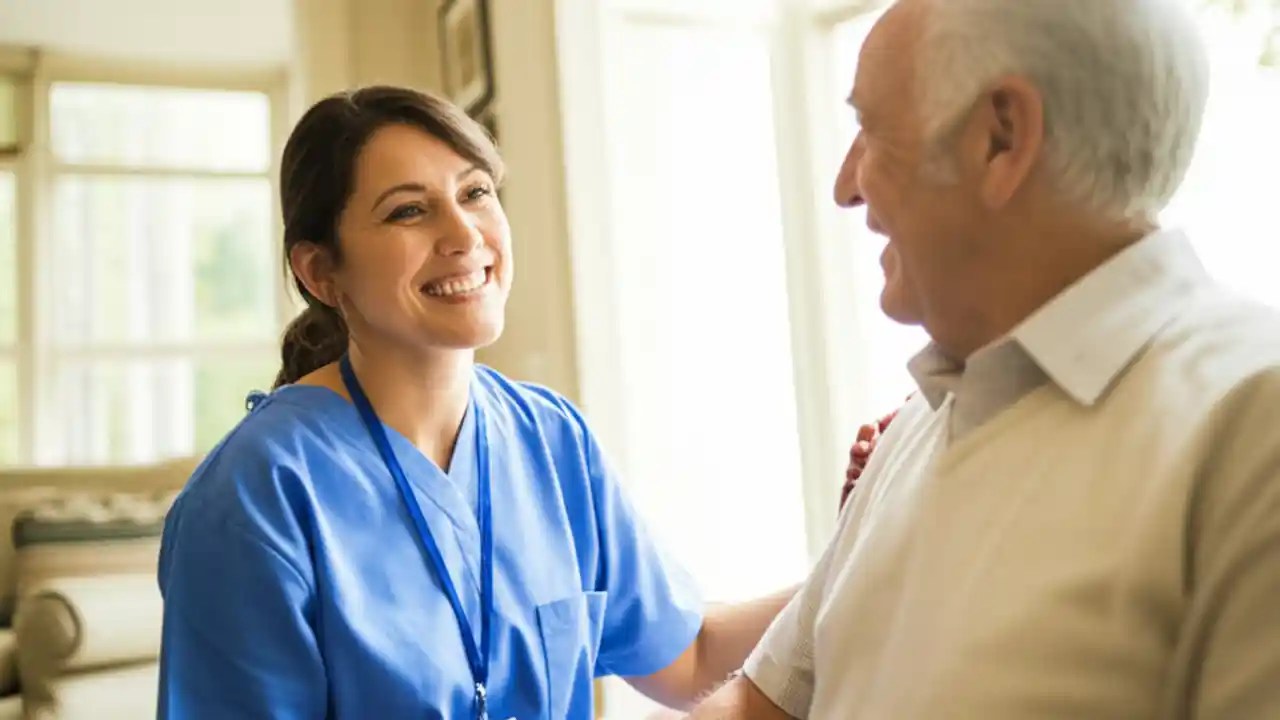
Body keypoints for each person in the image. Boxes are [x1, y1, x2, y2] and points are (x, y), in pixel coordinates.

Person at [688, 0, 1280, 717]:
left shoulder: (1252, 422)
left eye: (870, 130)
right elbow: (761, 705)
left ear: (1001, 137)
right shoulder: (921, 422)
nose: (846, 186)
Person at [156, 86, 801, 719]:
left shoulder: (552, 441)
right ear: (321, 272)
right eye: (409, 211)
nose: (464, 234)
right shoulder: (254, 495)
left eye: (475, 194)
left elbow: (686, 656)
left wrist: (869, 547)